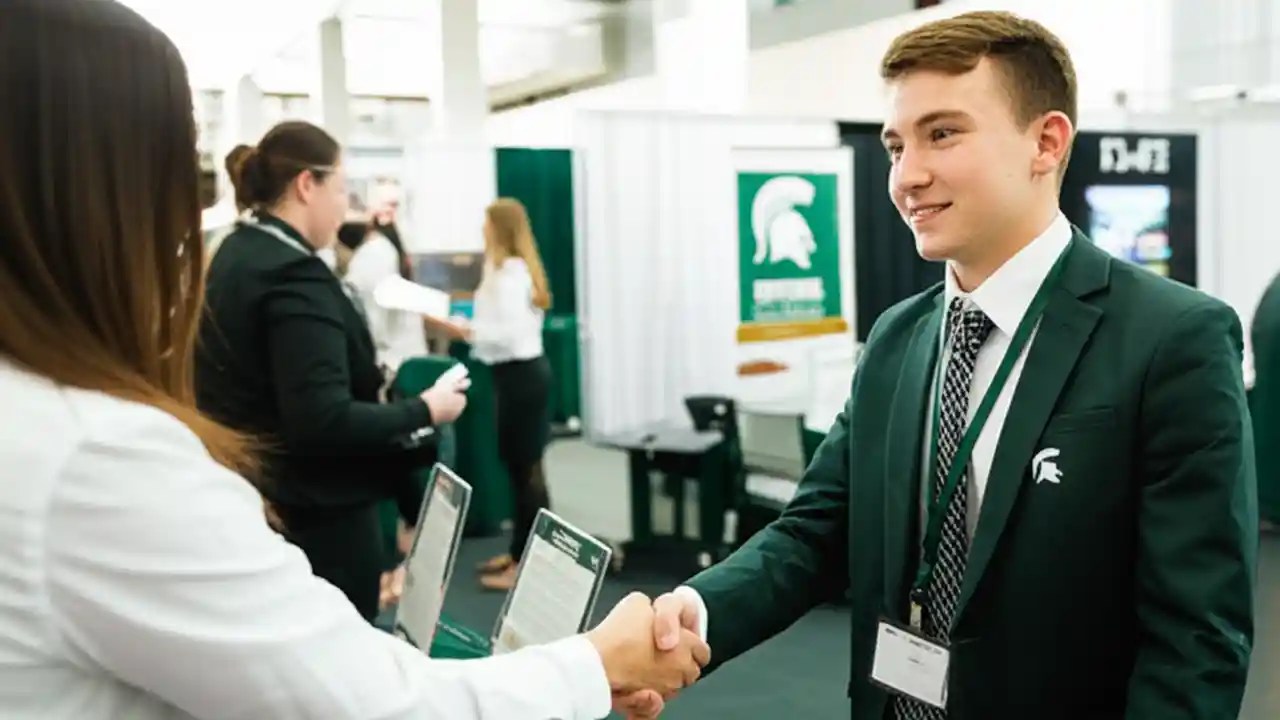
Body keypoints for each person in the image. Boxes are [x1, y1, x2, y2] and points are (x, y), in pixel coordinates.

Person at [0, 1, 707, 718]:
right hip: (322, 504)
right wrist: (594, 661)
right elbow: (375, 704)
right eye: (179, 170)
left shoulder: (53, 413)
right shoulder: (99, 458)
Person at [620, 11, 1257, 720]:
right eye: (896, 146)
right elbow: (815, 531)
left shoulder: (1170, 338)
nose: (907, 176)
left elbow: (1196, 639)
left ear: (1046, 142)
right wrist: (695, 612)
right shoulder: (899, 337)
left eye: (943, 134)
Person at [196, 120, 460, 622]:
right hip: (315, 515)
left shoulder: (235, 253)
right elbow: (323, 419)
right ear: (306, 185)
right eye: (340, 189)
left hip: (257, 499)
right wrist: (426, 409)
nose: (345, 206)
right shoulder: (293, 277)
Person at [444, 199, 556, 592]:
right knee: (518, 468)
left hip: (522, 377)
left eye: (486, 223)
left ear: (499, 228)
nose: (482, 229)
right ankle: (519, 552)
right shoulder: (507, 270)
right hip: (515, 378)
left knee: (527, 472)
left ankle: (530, 564)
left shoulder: (511, 276)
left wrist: (465, 331)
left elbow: (507, 335)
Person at [345, 184, 429, 373]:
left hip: (391, 366)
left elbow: (372, 326)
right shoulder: (382, 252)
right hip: (401, 363)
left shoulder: (376, 253)